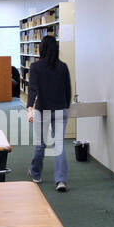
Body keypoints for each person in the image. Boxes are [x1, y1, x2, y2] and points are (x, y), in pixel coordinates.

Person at [26, 34, 71, 191]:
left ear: (42, 49)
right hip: (60, 109)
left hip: (42, 110)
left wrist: (30, 108)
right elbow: (68, 91)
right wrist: (65, 106)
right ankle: (61, 180)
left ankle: (36, 174)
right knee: (59, 145)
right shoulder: (63, 67)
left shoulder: (35, 67)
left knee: (40, 144)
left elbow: (32, 90)